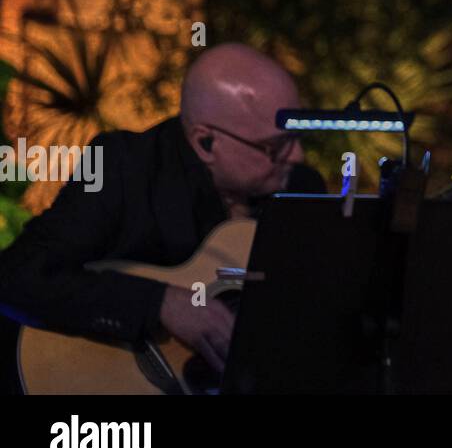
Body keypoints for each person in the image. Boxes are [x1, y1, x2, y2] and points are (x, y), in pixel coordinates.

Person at [0, 42, 323, 379]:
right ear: (206, 142)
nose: (297, 155)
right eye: (276, 145)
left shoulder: (303, 191)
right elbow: (17, 275)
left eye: (298, 137)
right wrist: (159, 303)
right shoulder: (123, 168)